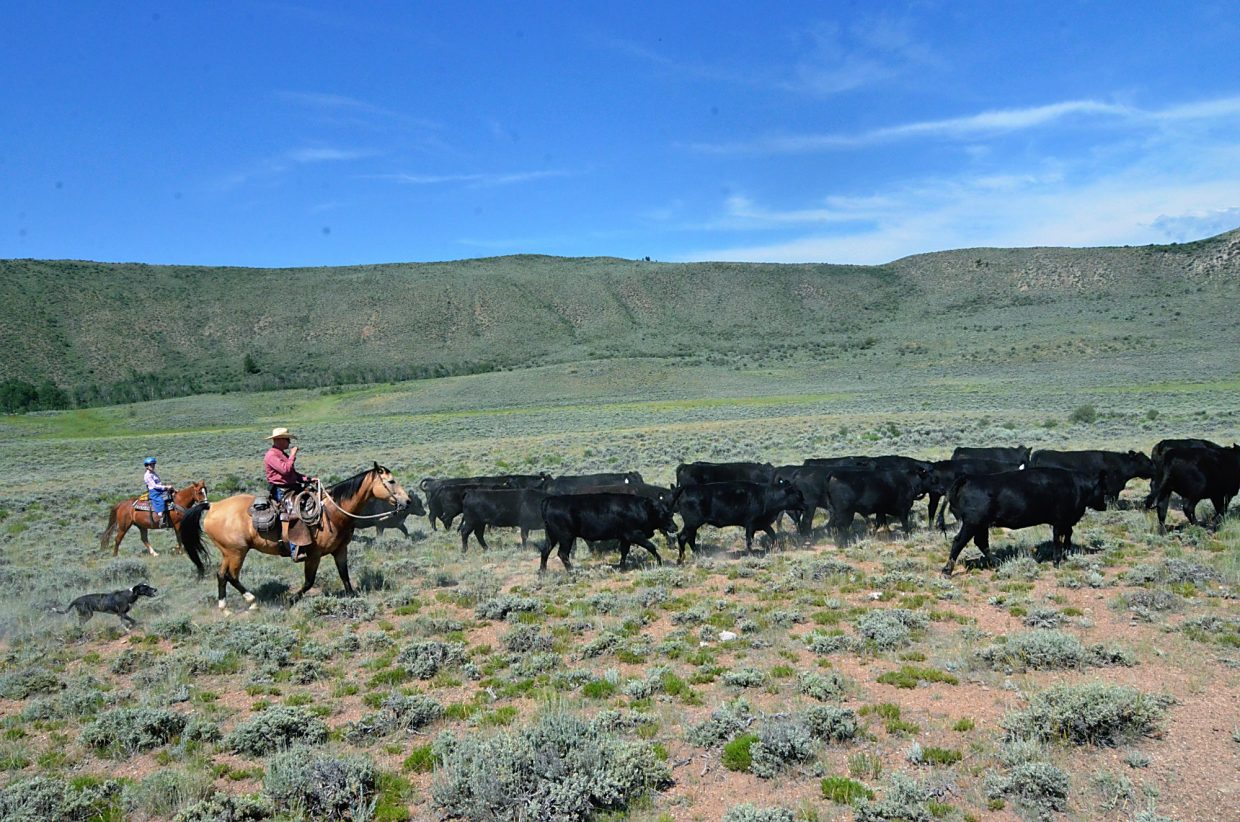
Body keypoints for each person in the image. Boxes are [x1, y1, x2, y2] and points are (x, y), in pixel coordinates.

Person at [263, 427, 318, 561]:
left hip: (291, 487)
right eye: (287, 439)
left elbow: (292, 474)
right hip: (281, 490)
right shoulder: (271, 455)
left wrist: (307, 479)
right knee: (295, 511)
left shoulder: (281, 453)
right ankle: (296, 548)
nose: (289, 442)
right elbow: (286, 470)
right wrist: (293, 455)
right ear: (278, 440)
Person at [143, 457, 173, 527]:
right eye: (151, 465)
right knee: (161, 501)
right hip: (154, 492)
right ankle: (161, 518)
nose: (153, 466)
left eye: (153, 464)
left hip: (160, 490)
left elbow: (159, 483)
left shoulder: (153, 473)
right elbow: (154, 486)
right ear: (147, 466)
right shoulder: (147, 475)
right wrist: (165, 487)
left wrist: (167, 488)